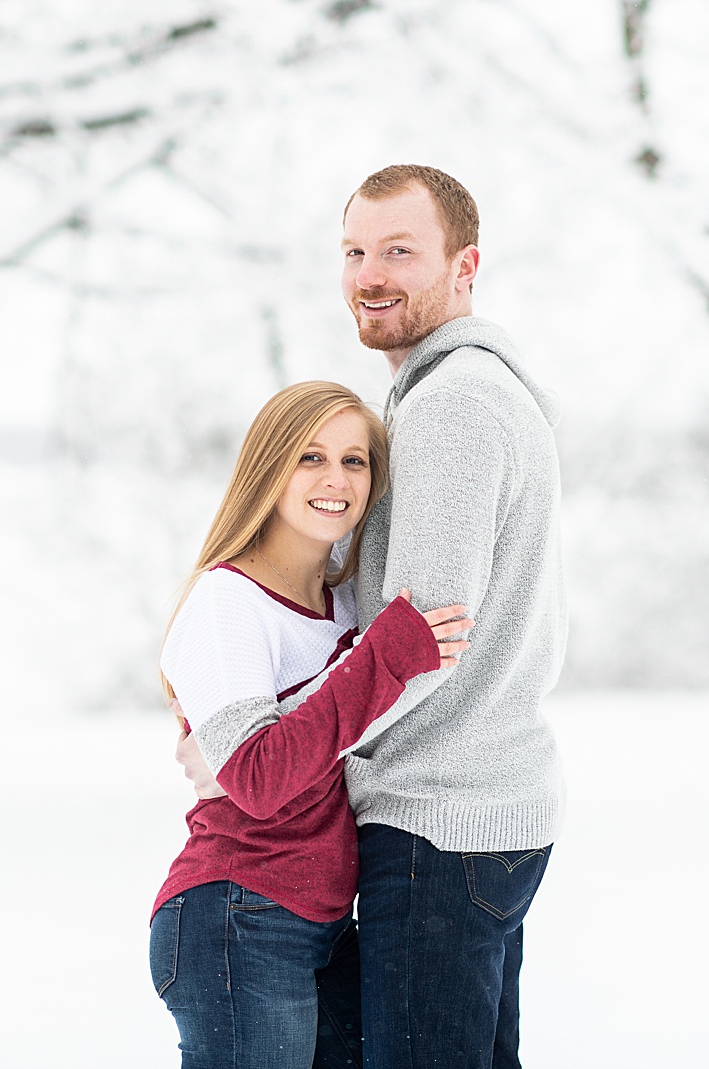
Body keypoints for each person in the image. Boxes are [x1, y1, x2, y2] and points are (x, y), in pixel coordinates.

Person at [181, 164, 566, 1067]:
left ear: (465, 265)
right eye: (355, 251)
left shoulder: (453, 405)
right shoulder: (461, 395)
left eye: (400, 250)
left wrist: (269, 748)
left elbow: (423, 636)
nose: (370, 274)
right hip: (485, 805)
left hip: (439, 816)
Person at [149, 380, 475, 1069]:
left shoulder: (346, 604)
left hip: (325, 923)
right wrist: (382, 658)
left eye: (355, 461)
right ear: (269, 467)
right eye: (310, 457)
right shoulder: (228, 600)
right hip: (239, 914)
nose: (336, 479)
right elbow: (260, 779)